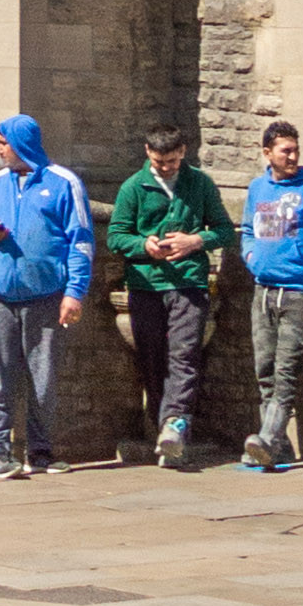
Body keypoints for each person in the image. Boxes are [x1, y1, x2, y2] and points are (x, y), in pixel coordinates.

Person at [0, 114, 96, 479]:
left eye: (3, 143)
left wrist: (74, 292)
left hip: (45, 297)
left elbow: (81, 241)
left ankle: (40, 452)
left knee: (43, 378)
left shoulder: (64, 183)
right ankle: (0, 453)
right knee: (0, 380)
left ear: (22, 143)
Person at [107, 117, 234, 462]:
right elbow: (116, 236)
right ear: (148, 152)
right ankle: (164, 430)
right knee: (152, 360)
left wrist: (196, 240)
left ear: (182, 152)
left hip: (189, 283)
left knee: (185, 356)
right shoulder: (133, 187)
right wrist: (142, 246)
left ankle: (175, 424)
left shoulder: (200, 184)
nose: (165, 168)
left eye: (172, 161)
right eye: (158, 162)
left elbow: (224, 230)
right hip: (146, 285)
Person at [235, 115, 303, 473]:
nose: (293, 157)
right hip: (264, 291)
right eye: (285, 151)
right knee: (265, 370)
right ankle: (278, 447)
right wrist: (250, 256)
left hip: (299, 294)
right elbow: (248, 228)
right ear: (268, 153)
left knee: (286, 372)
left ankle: (265, 441)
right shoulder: (257, 188)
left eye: (296, 150)